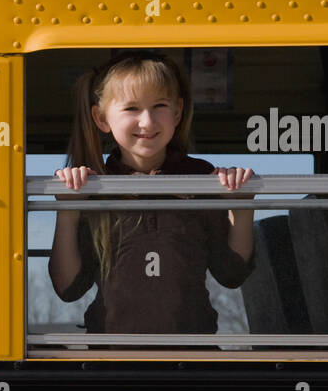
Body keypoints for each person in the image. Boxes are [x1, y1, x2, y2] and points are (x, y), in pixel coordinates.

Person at [47, 51, 255, 333]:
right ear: (101, 118)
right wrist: (68, 208)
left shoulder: (202, 178)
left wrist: (241, 206)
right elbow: (68, 286)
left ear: (178, 112)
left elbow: (232, 273)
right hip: (112, 360)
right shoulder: (94, 185)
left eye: (159, 106)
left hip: (194, 357)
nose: (147, 121)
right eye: (132, 109)